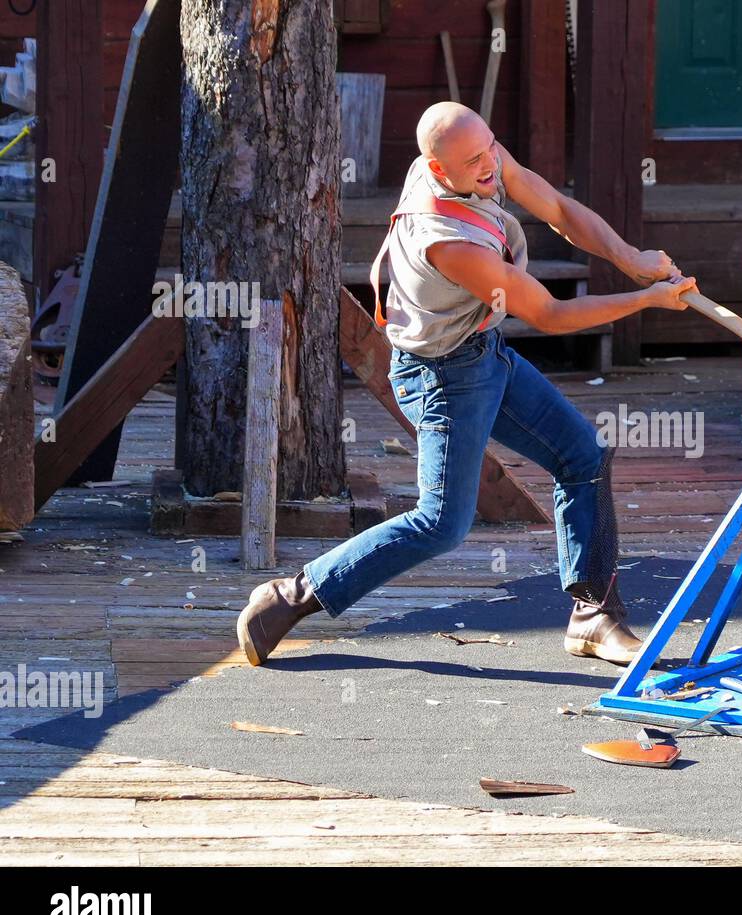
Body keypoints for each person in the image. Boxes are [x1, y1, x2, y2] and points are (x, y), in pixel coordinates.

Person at [236, 101, 697, 668]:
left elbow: (555, 206)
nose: (491, 166)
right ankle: (293, 595)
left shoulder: (470, 157)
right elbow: (550, 315)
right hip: (444, 378)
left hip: (483, 352)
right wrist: (648, 300)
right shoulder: (449, 240)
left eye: (490, 150)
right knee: (441, 523)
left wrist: (629, 259)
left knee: (584, 456)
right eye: (475, 161)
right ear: (436, 170)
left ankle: (594, 617)